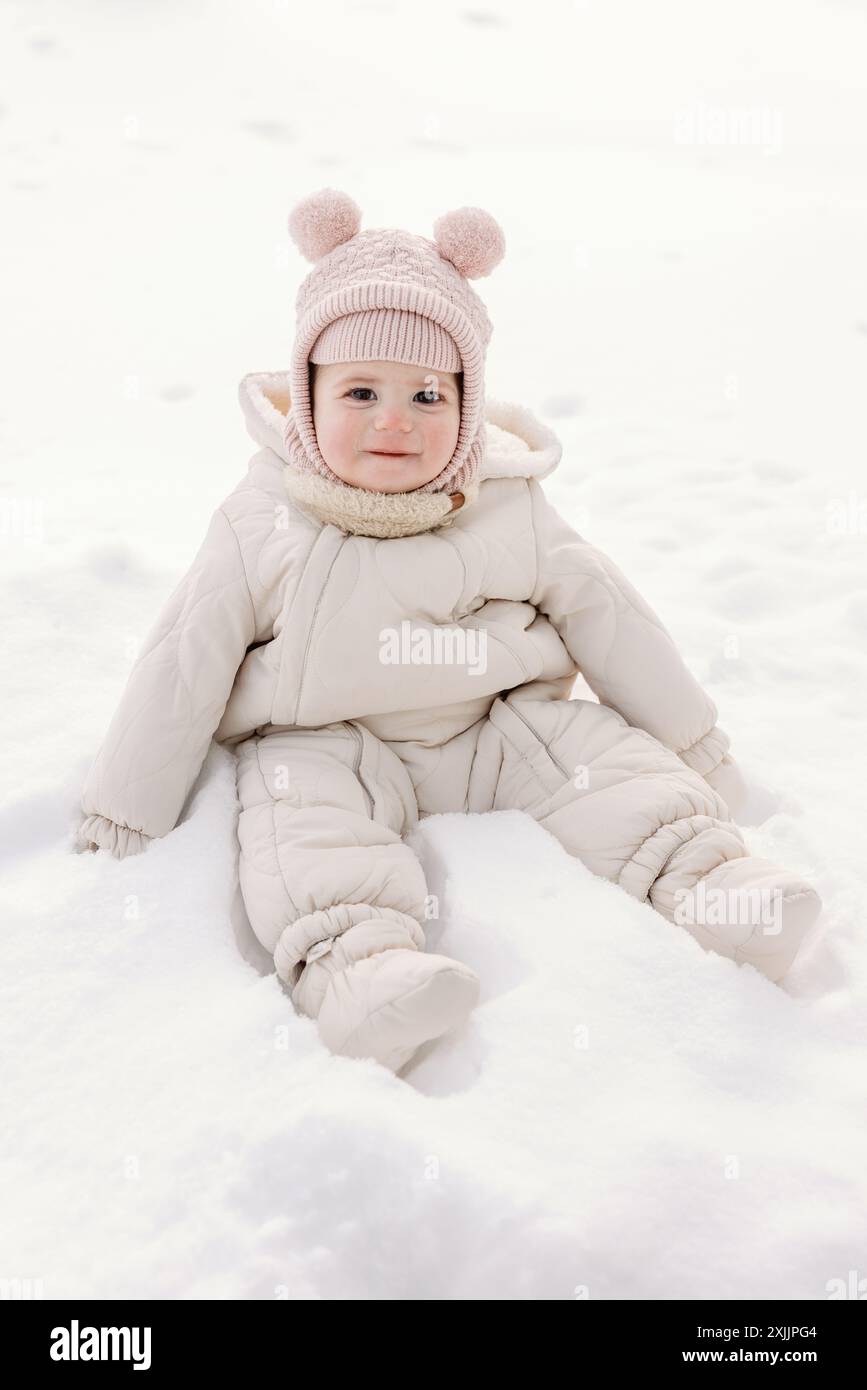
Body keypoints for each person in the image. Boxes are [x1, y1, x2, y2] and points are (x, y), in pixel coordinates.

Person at [76, 187, 823, 1076]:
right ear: (306, 400)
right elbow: (183, 658)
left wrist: (690, 740)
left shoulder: (506, 505)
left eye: (427, 395)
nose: (394, 420)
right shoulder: (261, 522)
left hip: (494, 726)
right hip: (330, 739)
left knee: (609, 762)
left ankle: (716, 887)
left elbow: (608, 615)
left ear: (467, 411)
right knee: (299, 823)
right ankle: (364, 974)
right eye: (360, 391)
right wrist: (126, 808)